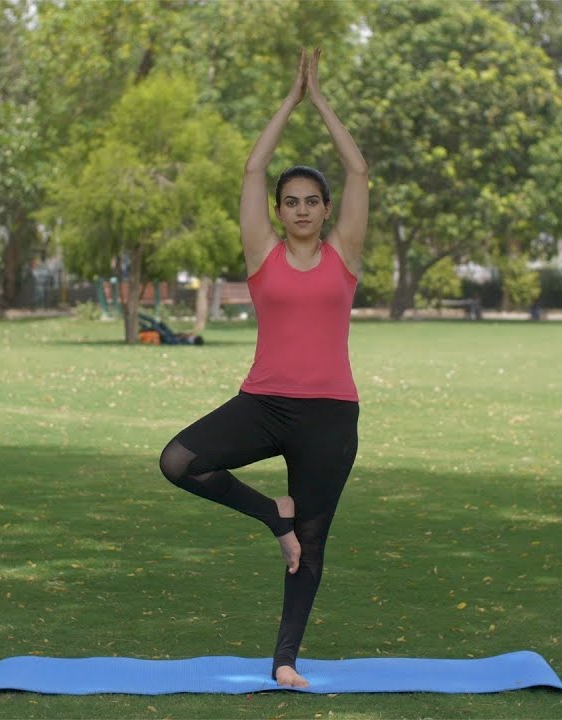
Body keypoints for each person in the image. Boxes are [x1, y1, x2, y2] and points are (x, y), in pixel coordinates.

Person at [158, 48, 368, 689]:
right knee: (179, 461)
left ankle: (285, 661)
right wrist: (291, 98)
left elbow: (358, 170)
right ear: (279, 210)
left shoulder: (344, 258)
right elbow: (253, 168)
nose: (302, 208)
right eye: (291, 200)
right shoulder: (262, 255)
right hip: (264, 402)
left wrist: (323, 101)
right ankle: (271, 515)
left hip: (330, 413)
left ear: (325, 210)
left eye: (312, 200)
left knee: (312, 543)